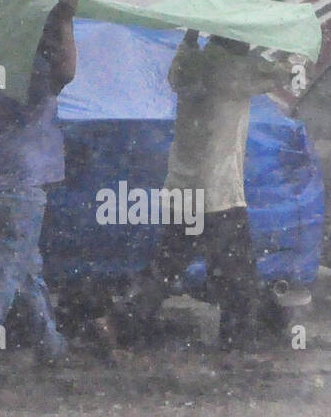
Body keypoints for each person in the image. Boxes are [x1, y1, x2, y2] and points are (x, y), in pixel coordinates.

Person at [120, 29, 291, 352]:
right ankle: (236, 340)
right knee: (237, 274)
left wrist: (188, 39)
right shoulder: (233, 69)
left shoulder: (190, 63)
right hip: (218, 194)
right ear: (238, 40)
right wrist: (293, 49)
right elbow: (277, 74)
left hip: (183, 186)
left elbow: (178, 72)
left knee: (166, 266)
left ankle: (122, 323)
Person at [0, 0, 78, 379]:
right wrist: (66, 21)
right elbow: (67, 72)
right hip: (22, 186)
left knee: (25, 267)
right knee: (5, 274)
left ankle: (50, 344)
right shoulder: (35, 75)